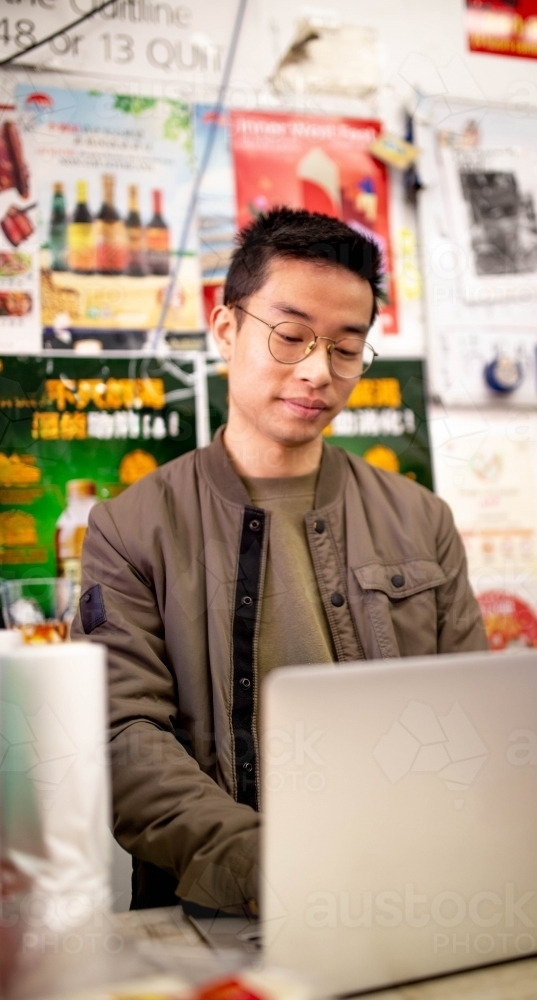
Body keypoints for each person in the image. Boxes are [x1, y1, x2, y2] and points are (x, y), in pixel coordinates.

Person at [72, 207, 488, 915]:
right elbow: (120, 736)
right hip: (218, 912)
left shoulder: (419, 518)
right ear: (226, 328)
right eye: (291, 337)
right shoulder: (131, 527)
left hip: (408, 892)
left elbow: (474, 714)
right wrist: (272, 873)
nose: (318, 372)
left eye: (346, 348)